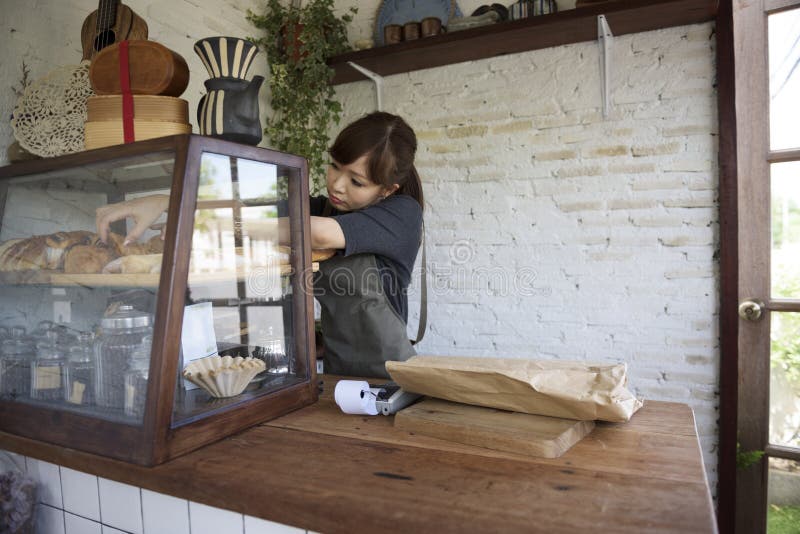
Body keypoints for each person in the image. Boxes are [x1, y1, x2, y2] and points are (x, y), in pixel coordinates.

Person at [96, 112, 424, 378]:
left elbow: (319, 234)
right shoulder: (325, 206)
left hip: (392, 377)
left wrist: (217, 227)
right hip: (338, 375)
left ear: (387, 189)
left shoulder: (402, 214)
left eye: (356, 181)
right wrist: (164, 200)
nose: (337, 184)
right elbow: (241, 208)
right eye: (335, 166)